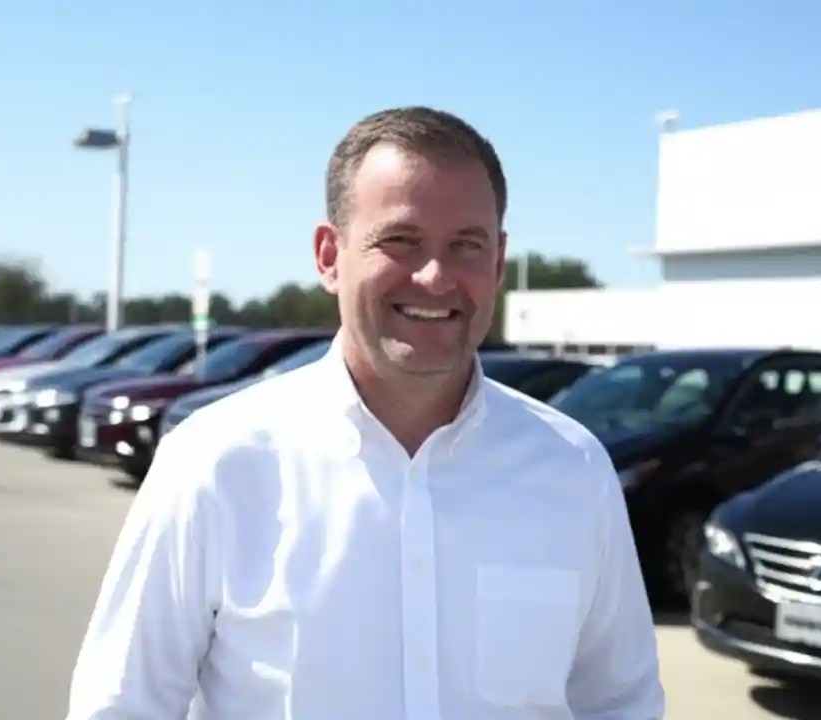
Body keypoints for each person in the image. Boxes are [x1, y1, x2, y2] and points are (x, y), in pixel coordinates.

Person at [65, 106, 666, 719]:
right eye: (401, 241)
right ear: (330, 255)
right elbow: (121, 704)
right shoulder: (216, 461)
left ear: (497, 261)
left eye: (466, 245)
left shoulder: (573, 468)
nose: (435, 277)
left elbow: (620, 704)